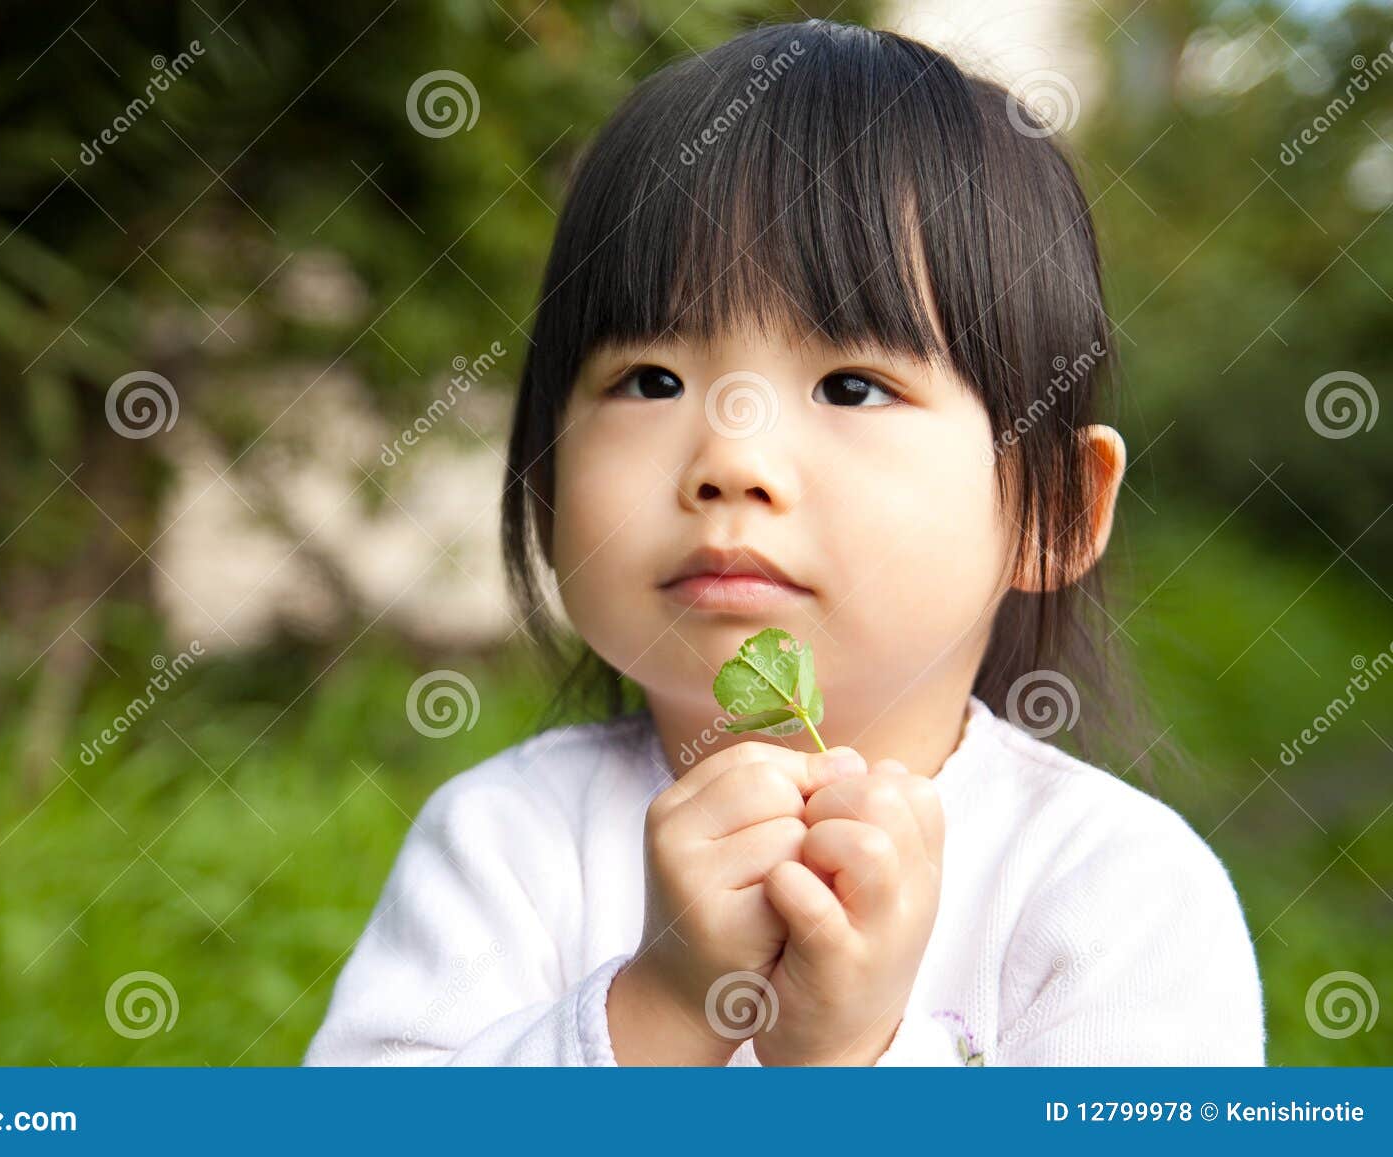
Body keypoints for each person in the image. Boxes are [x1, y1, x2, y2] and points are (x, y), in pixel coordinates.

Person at [303, 18, 1266, 1066]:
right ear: (541, 466)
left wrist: (857, 1058)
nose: (730, 457)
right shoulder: (504, 844)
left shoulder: (1114, 893)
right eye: (650, 380)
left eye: (851, 385)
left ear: (1053, 510)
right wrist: (657, 1015)